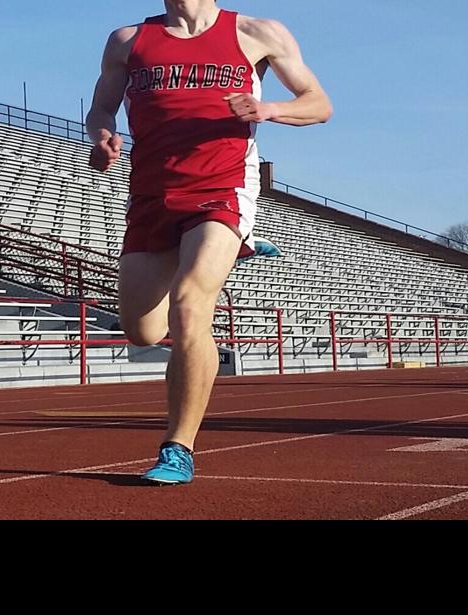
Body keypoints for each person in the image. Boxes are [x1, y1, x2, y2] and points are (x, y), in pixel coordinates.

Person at [86, 0, 332, 484]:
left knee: (190, 306)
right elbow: (101, 105)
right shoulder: (127, 40)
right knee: (142, 331)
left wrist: (268, 109)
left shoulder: (256, 32)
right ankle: (234, 246)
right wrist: (102, 135)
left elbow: (319, 103)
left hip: (221, 188)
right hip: (152, 194)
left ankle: (177, 448)